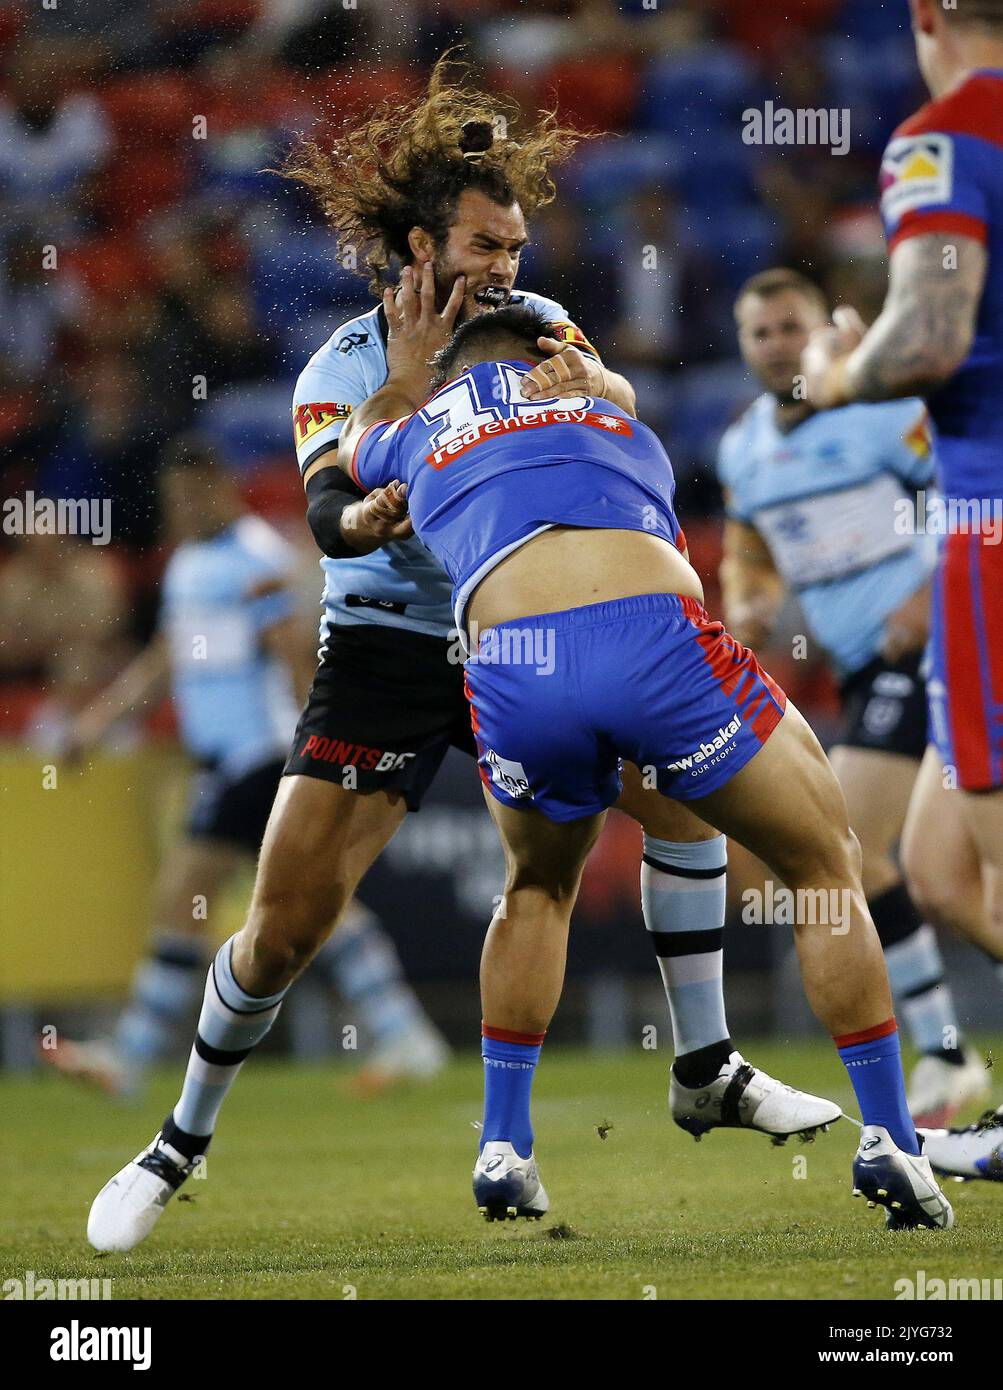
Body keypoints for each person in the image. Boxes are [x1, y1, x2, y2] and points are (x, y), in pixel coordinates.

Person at [85, 55, 836, 1255]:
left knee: (682, 805)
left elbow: (612, 405)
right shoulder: (339, 368)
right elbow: (332, 514)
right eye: (488, 244)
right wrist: (377, 487)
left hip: (526, 633)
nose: (510, 267)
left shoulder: (541, 325)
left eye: (518, 243)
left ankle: (706, 1065)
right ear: (418, 247)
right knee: (284, 924)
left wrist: (613, 384)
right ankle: (176, 1142)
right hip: (387, 644)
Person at [331, 298, 953, 1229]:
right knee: (826, 867)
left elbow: (353, 442)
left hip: (508, 664)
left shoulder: (420, 431)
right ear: (562, 354)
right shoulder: (615, 411)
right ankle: (892, 1144)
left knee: (536, 888)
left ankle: (504, 1146)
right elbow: (604, 402)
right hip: (651, 637)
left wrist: (406, 368)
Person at [45, 436, 447, 1100]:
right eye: (174, 499)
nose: (183, 507)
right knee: (306, 899)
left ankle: (132, 1058)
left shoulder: (257, 558)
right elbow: (167, 659)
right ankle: (403, 1032)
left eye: (192, 495)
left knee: (188, 895)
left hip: (260, 754)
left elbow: (295, 649)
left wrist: (316, 745)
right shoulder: (188, 564)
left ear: (218, 488)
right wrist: (96, 724)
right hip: (229, 761)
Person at [801, 0, 1003, 1182]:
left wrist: (835, 375)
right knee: (939, 864)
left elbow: (928, 334)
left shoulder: (942, 139)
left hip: (991, 525)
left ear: (926, 12)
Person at [719, 267, 991, 1126]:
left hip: (933, 644)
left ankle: (943, 1055)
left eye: (791, 326)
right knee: (918, 874)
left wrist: (924, 598)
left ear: (823, 329)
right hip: (864, 669)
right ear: (743, 345)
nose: (778, 345)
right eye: (760, 332)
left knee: (838, 836)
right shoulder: (742, 448)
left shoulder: (878, 413)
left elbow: (966, 495)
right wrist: (748, 596)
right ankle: (945, 1054)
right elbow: (747, 544)